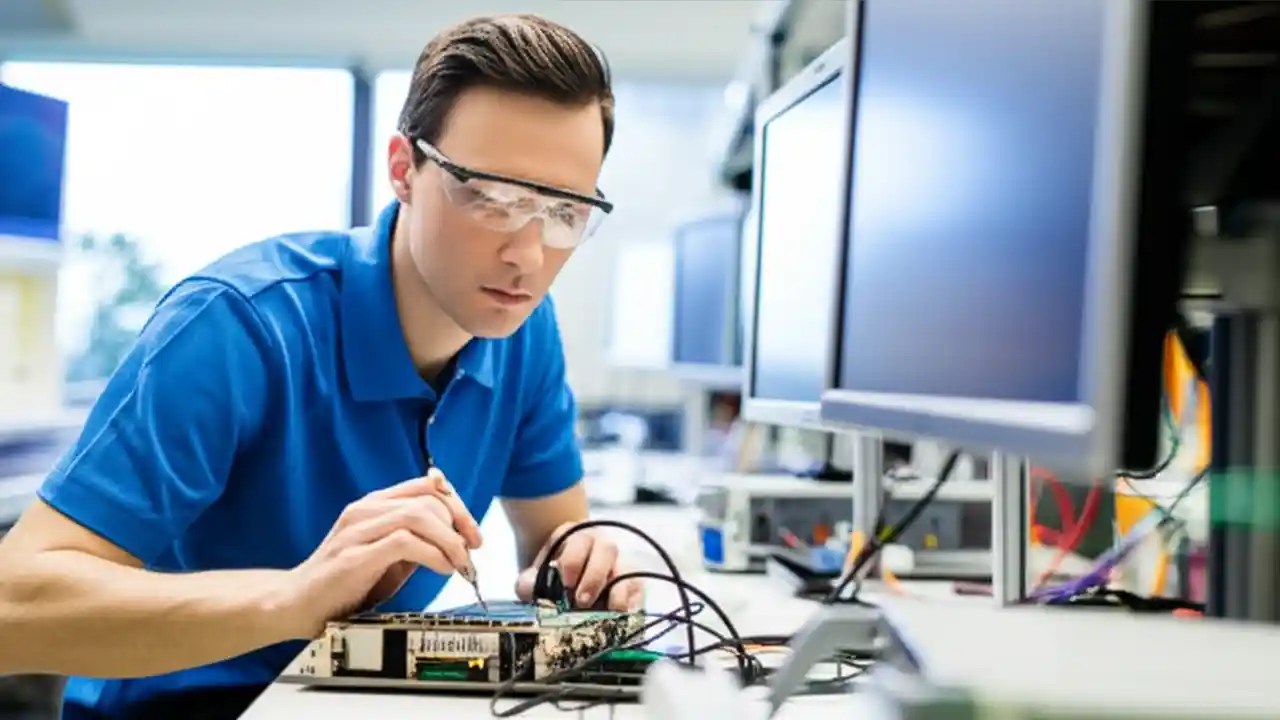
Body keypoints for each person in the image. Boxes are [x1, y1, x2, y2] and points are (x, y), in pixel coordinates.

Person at [0, 13, 642, 719]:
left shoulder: (523, 328)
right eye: (491, 198)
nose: (528, 256)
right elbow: (13, 606)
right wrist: (297, 598)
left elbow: (554, 540)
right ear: (404, 169)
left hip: (356, 699)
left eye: (564, 211)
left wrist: (588, 563)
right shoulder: (237, 325)